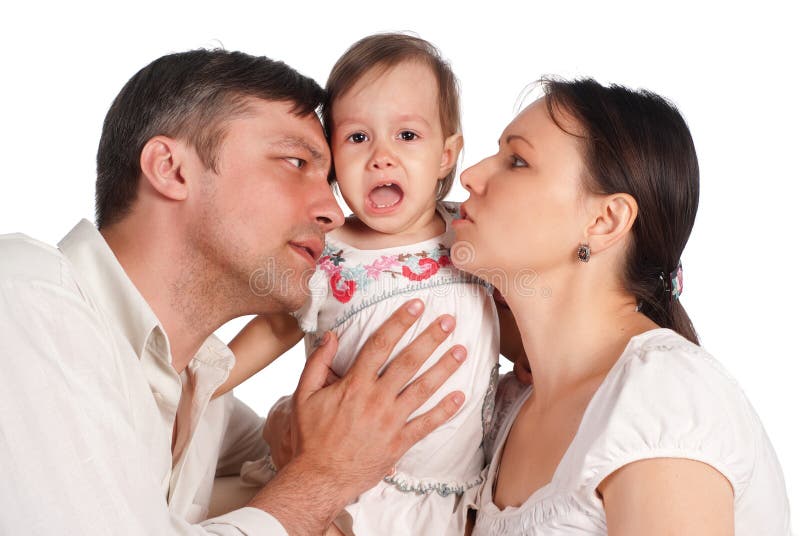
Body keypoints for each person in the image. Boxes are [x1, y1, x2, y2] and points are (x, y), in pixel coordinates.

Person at [0, 49, 469, 535]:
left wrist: (299, 432)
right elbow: (320, 476)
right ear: (172, 168)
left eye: (327, 177)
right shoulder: (23, 296)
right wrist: (326, 475)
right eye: (295, 161)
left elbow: (302, 463)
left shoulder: (199, 393)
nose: (333, 210)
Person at [453, 78, 792, 534]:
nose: (469, 175)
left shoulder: (663, 401)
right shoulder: (510, 406)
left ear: (604, 219)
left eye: (517, 160)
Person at [215, 34, 500, 536]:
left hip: (455, 495)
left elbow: (523, 307)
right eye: (358, 138)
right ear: (330, 159)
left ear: (446, 154)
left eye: (407, 136)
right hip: (353, 490)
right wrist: (206, 381)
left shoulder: (471, 232)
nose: (381, 158)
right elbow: (278, 326)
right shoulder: (327, 250)